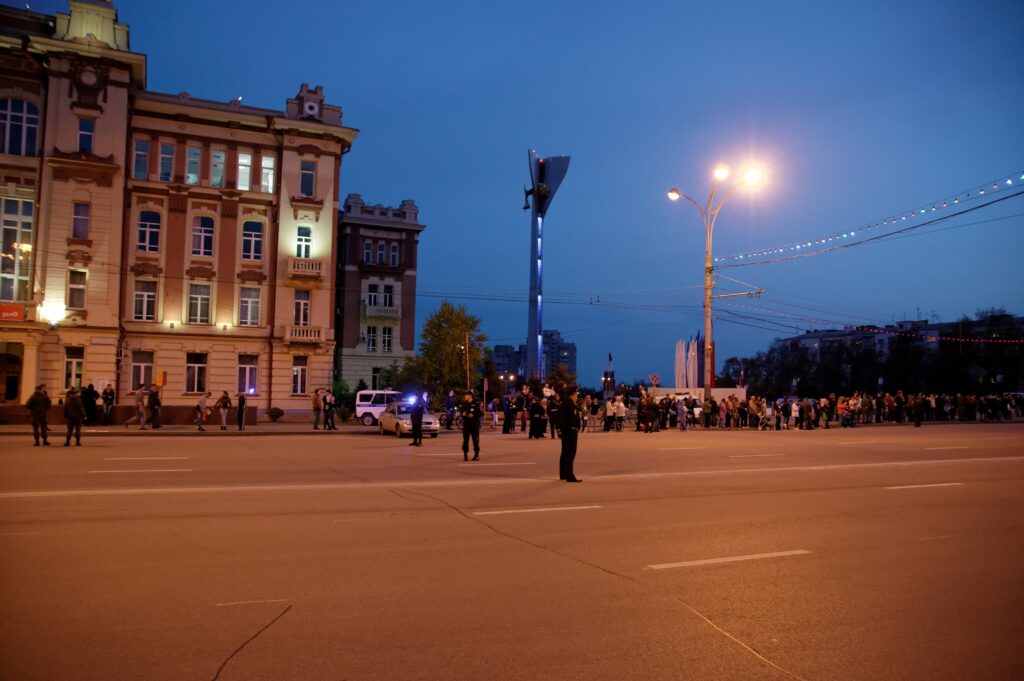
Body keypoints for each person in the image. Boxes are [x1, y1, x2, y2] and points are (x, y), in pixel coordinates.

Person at [558, 391, 582, 482]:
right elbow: (561, 418)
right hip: (570, 431)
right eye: (576, 395)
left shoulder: (567, 404)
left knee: (565, 453)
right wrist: (565, 428)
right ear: (572, 395)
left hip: (569, 431)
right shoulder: (568, 405)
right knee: (570, 453)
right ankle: (569, 475)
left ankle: (563, 474)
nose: (577, 397)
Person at [458, 391, 483, 461]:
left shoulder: (476, 404)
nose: (465, 397)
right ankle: (465, 455)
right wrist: (463, 414)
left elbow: (481, 414)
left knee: (475, 440)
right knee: (465, 440)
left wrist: (473, 415)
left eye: (466, 395)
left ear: (470, 396)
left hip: (474, 425)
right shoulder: (464, 404)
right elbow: (461, 413)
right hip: (466, 425)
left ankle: (476, 455)